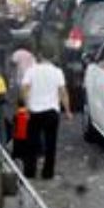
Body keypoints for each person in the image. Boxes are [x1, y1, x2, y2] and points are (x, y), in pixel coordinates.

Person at [20, 50, 70, 180]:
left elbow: (25, 89)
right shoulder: (57, 72)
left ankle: (29, 171)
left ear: (39, 57)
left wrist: (25, 107)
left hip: (34, 111)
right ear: (53, 57)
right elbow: (63, 92)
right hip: (51, 112)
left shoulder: (31, 71)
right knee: (50, 143)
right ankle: (48, 172)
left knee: (31, 142)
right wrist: (68, 111)